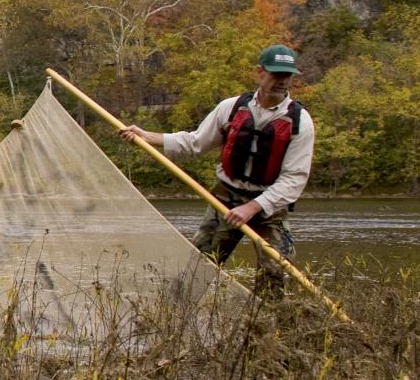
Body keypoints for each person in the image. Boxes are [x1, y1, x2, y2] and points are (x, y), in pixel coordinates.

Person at [118, 43, 314, 295]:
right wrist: (148, 136)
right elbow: (195, 142)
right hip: (226, 198)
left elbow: (293, 180)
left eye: (287, 76)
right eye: (276, 74)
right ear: (260, 72)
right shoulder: (231, 108)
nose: (282, 82)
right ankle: (175, 323)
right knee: (197, 269)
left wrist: (253, 207)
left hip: (269, 206)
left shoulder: (300, 122)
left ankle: (267, 330)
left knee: (274, 272)